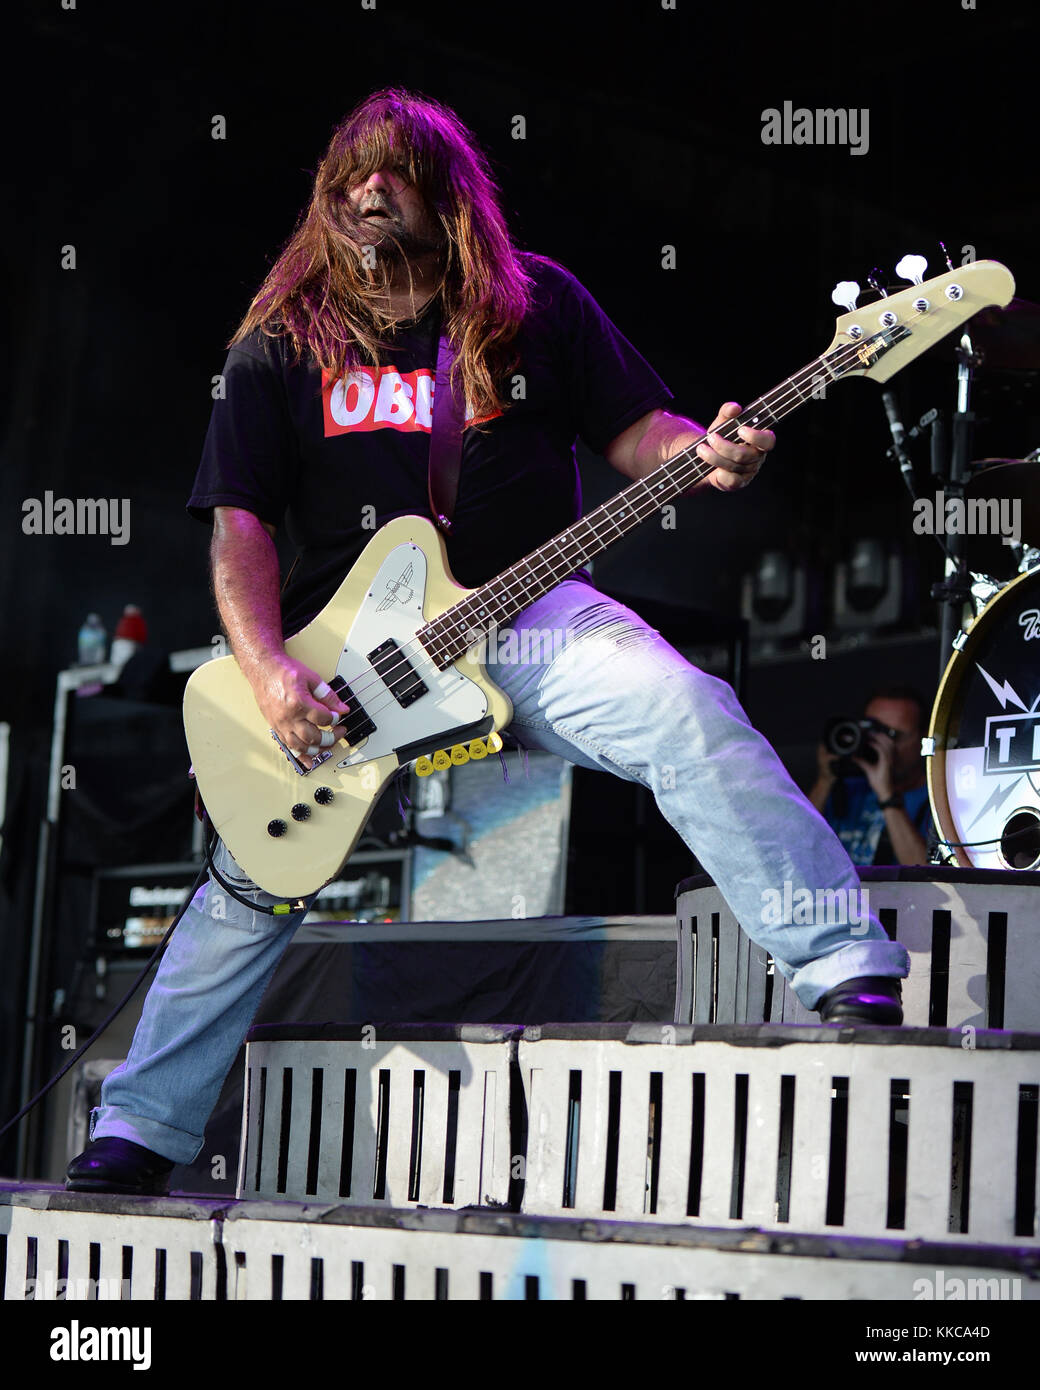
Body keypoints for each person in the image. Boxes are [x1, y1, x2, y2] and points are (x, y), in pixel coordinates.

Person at [66, 88, 908, 1196]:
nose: (371, 187)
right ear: (327, 198)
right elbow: (238, 524)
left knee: (683, 707)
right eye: (352, 172)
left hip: (522, 616)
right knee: (250, 884)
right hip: (339, 671)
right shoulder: (280, 344)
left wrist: (703, 450)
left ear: (447, 191)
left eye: (397, 170)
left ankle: (844, 961)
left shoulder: (531, 306)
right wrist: (269, 672)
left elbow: (634, 432)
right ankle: (139, 1129)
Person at [808, 685, 933, 866]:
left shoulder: (935, 803)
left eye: (893, 735)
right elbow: (790, 850)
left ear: (924, 739)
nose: (879, 743)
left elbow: (929, 878)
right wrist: (825, 780)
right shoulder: (845, 790)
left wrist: (886, 794)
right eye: (873, 730)